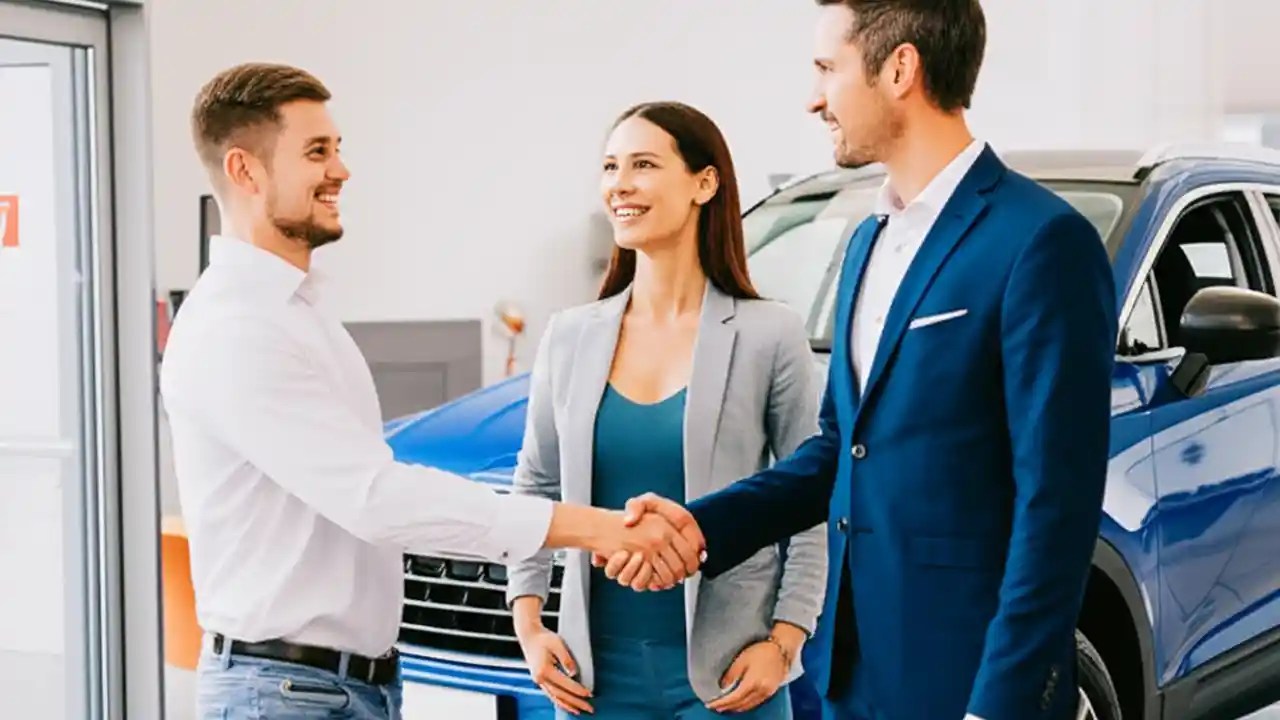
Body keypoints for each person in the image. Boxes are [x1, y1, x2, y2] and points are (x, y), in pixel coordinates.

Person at [601, 2, 1119, 719]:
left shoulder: (1041, 242)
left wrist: (1000, 705)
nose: (814, 98)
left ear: (899, 68)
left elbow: (1056, 509)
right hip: (853, 676)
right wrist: (703, 527)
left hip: (966, 681)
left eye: (827, 69)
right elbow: (842, 451)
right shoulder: (865, 245)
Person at [160, 63, 704, 720]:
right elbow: (375, 498)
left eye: (337, 148)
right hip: (285, 694)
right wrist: (596, 529)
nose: (342, 170)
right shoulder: (238, 327)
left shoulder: (295, 312)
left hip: (337, 686)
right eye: (317, 152)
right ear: (246, 172)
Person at [506, 101, 828, 719]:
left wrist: (785, 643)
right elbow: (536, 487)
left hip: (732, 682)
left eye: (644, 165)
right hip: (591, 684)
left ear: (704, 183)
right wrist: (528, 623)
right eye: (609, 167)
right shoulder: (570, 335)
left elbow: (810, 506)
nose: (619, 185)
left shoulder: (770, 334)